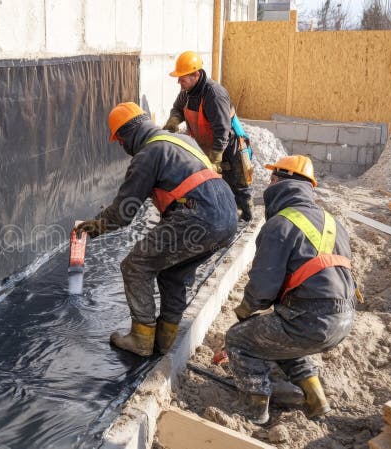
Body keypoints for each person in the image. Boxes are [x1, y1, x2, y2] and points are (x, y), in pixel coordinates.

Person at [75, 102, 238, 357]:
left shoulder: (148, 154)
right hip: (227, 216)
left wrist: (94, 226)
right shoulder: (182, 141)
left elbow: (123, 213)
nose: (121, 146)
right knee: (173, 274)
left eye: (119, 140)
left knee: (136, 266)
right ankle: (164, 340)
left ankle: (141, 338)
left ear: (128, 134)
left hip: (199, 216)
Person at [225, 155, 356, 424]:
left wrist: (245, 311)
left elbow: (262, 288)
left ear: (276, 182)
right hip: (343, 320)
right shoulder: (332, 222)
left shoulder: (280, 224)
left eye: (272, 178)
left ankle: (254, 409)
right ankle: (315, 397)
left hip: (309, 320)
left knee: (239, 340)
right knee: (281, 339)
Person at [163, 50, 254, 222]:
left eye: (182, 78)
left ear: (196, 75)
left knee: (239, 189)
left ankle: (247, 224)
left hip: (230, 148)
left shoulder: (214, 94)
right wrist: (173, 121)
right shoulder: (187, 92)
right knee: (214, 191)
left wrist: (215, 161)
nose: (178, 82)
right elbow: (177, 108)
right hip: (205, 147)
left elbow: (222, 130)